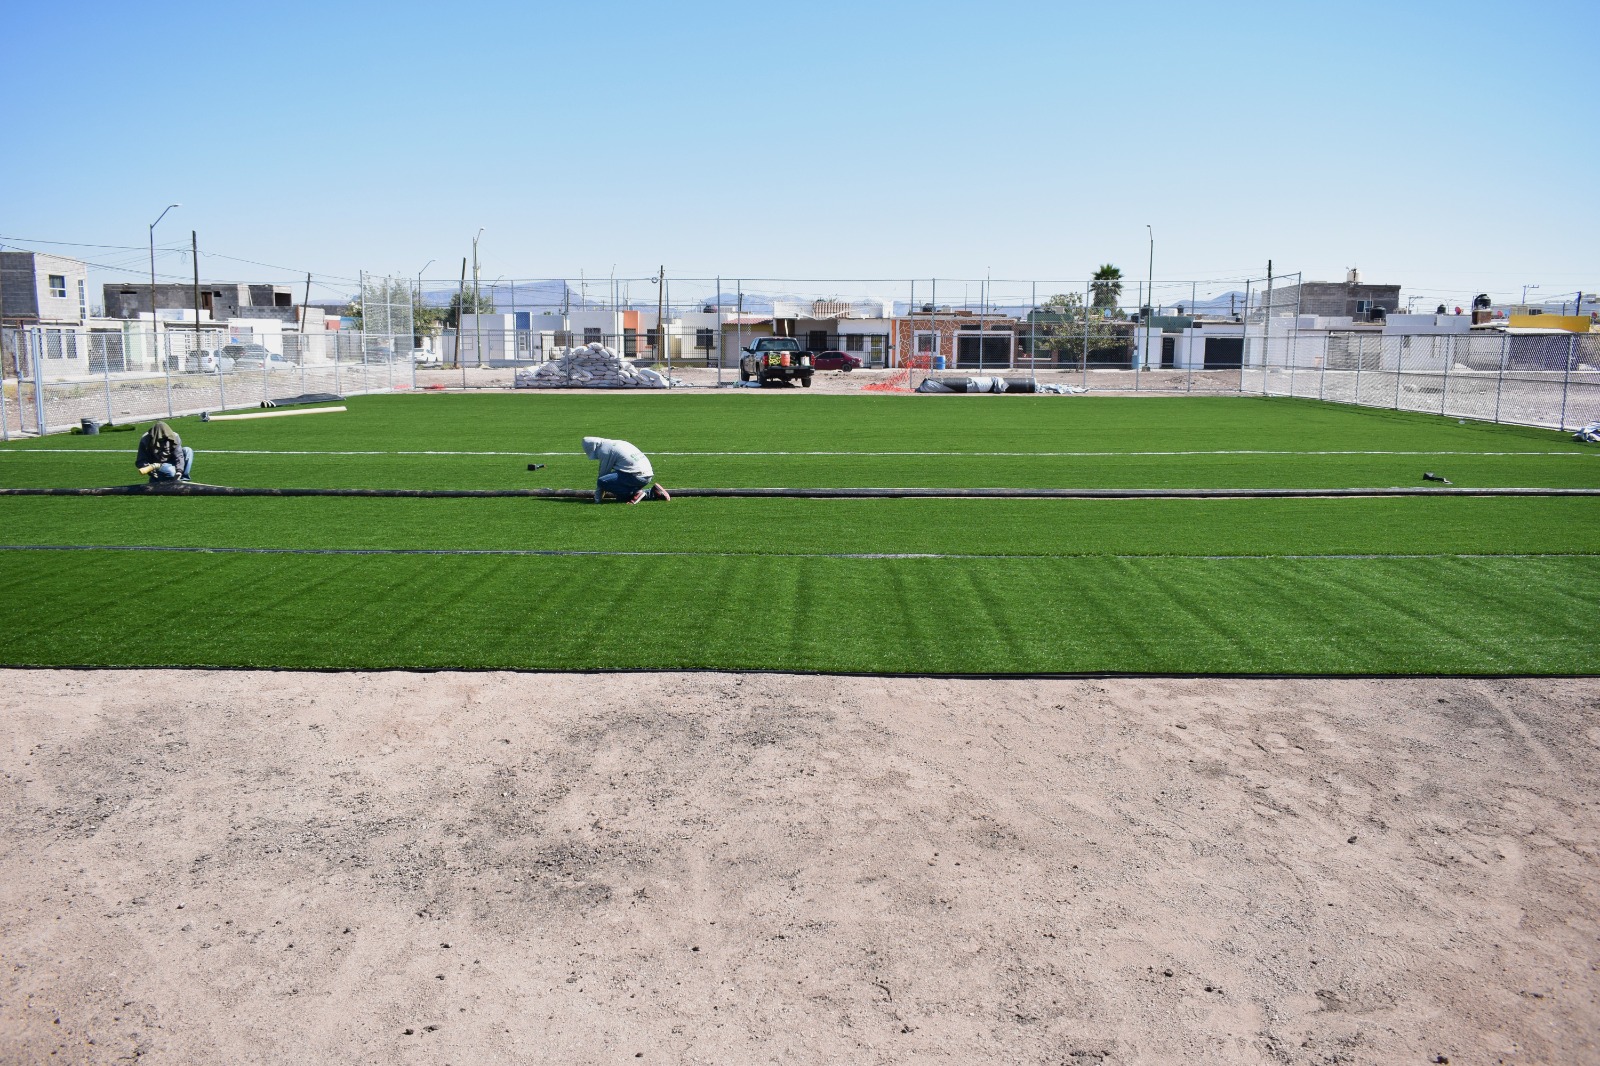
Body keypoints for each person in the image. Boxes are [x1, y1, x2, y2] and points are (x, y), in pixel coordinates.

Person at [582, 436, 669, 504]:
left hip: (636, 476)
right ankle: (652, 493)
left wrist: (597, 499)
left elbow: (603, 475)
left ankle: (637, 493)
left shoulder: (605, 450)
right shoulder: (614, 443)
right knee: (620, 499)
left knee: (602, 481)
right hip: (647, 475)